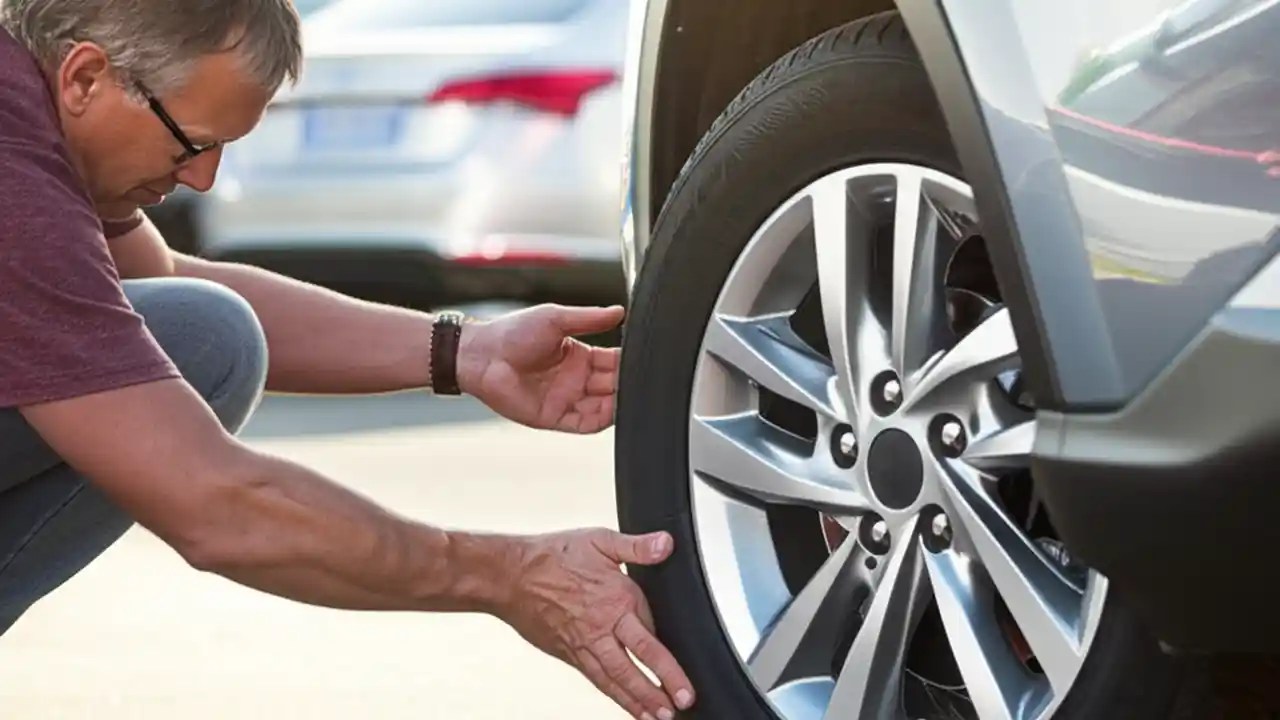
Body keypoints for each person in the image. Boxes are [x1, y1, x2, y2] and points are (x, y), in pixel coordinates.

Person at [0, 1, 695, 718]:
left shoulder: (41, 108)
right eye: (189, 144)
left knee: (204, 334)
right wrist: (508, 576)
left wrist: (466, 352)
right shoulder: (12, 176)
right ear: (86, 76)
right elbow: (216, 507)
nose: (203, 180)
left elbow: (167, 288)